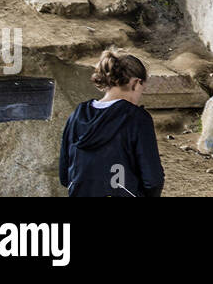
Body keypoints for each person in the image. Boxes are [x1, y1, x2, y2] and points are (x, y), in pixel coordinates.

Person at [59, 49, 165, 197]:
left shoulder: (78, 115)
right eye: (142, 88)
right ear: (136, 83)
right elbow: (153, 180)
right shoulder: (137, 118)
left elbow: (65, 175)